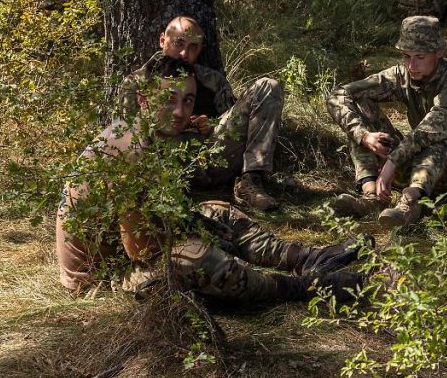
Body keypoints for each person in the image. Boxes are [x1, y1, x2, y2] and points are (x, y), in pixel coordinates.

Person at [57, 56, 364, 303]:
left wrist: (197, 223)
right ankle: (301, 287)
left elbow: (157, 215)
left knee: (216, 214)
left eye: (188, 101)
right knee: (199, 258)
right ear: (143, 100)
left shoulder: (140, 133)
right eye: (168, 99)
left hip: (127, 252)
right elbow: (142, 249)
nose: (179, 112)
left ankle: (303, 257)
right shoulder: (130, 151)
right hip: (105, 278)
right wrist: (196, 235)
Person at [326, 16, 447, 228]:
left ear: (439, 53)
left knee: (440, 132)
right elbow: (339, 95)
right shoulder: (401, 74)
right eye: (406, 56)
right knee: (360, 104)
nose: (411, 65)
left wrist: (393, 161)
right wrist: (364, 136)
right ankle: (373, 196)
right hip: (416, 159)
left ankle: (410, 202)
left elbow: (439, 122)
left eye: (420, 57)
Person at [121, 16, 284, 210]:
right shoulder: (136, 83)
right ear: (163, 40)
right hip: (165, 160)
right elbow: (128, 134)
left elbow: (237, 124)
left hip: (212, 155)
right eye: (179, 43)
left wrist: (212, 125)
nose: (184, 53)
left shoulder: (212, 80)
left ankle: (251, 181)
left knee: (267, 86)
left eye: (193, 47)